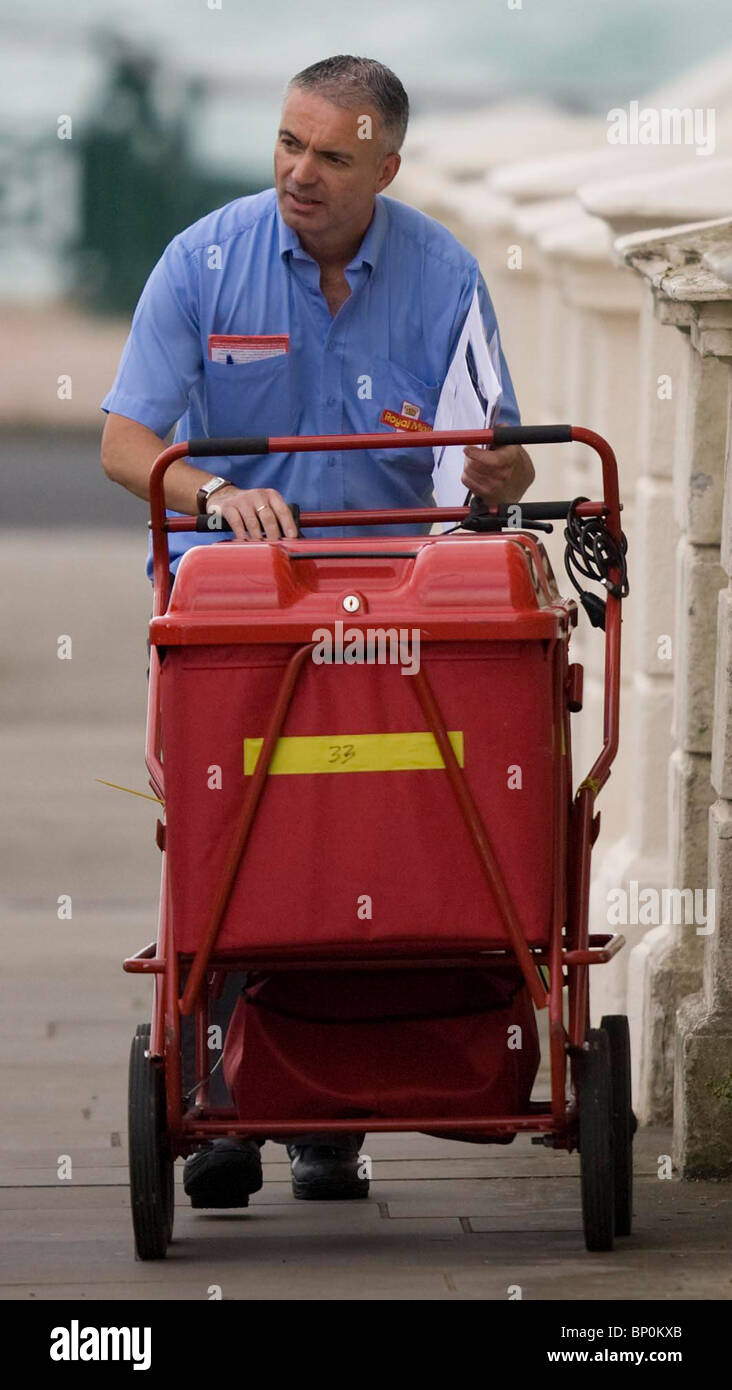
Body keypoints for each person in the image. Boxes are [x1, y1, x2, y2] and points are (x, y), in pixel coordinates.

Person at [100, 54, 534, 1208]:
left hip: (404, 607)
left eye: (332, 157)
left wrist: (508, 467)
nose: (300, 171)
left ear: (386, 166)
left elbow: (492, 456)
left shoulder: (446, 275)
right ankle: (230, 1093)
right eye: (288, 144)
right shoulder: (201, 260)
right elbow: (126, 444)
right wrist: (211, 495)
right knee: (238, 829)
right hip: (239, 603)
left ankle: (332, 1105)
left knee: (384, 828)